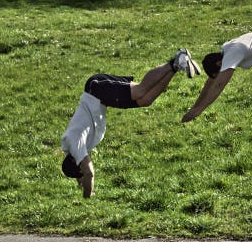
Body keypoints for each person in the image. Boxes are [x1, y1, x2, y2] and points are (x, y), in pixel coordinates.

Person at [61, 49, 200, 197]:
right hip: (100, 98)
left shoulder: (74, 143)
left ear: (78, 163)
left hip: (96, 89)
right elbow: (82, 175)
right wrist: (80, 178)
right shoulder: (74, 149)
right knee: (145, 100)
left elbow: (88, 173)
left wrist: (87, 196)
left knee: (140, 91)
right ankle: (175, 67)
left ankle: (175, 59)